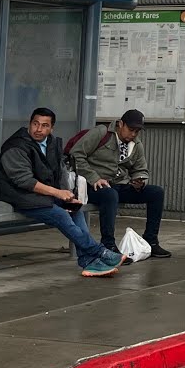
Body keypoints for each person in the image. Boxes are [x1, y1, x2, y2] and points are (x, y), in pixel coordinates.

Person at [0, 108, 125, 277]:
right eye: (35, 124)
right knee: (61, 215)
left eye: (44, 125)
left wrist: (68, 196)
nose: (38, 129)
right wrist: (58, 194)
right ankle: (99, 253)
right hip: (20, 197)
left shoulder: (51, 143)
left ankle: (89, 262)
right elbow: (24, 181)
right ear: (29, 124)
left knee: (74, 210)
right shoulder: (15, 146)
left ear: (51, 128)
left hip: (44, 196)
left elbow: (61, 172)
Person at [71, 109, 171, 259]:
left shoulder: (136, 144)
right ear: (120, 124)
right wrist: (94, 177)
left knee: (156, 193)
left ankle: (151, 241)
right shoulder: (101, 133)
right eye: (131, 130)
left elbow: (141, 169)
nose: (133, 134)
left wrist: (140, 181)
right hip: (94, 186)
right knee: (110, 194)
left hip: (119, 185)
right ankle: (108, 245)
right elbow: (75, 154)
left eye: (137, 131)